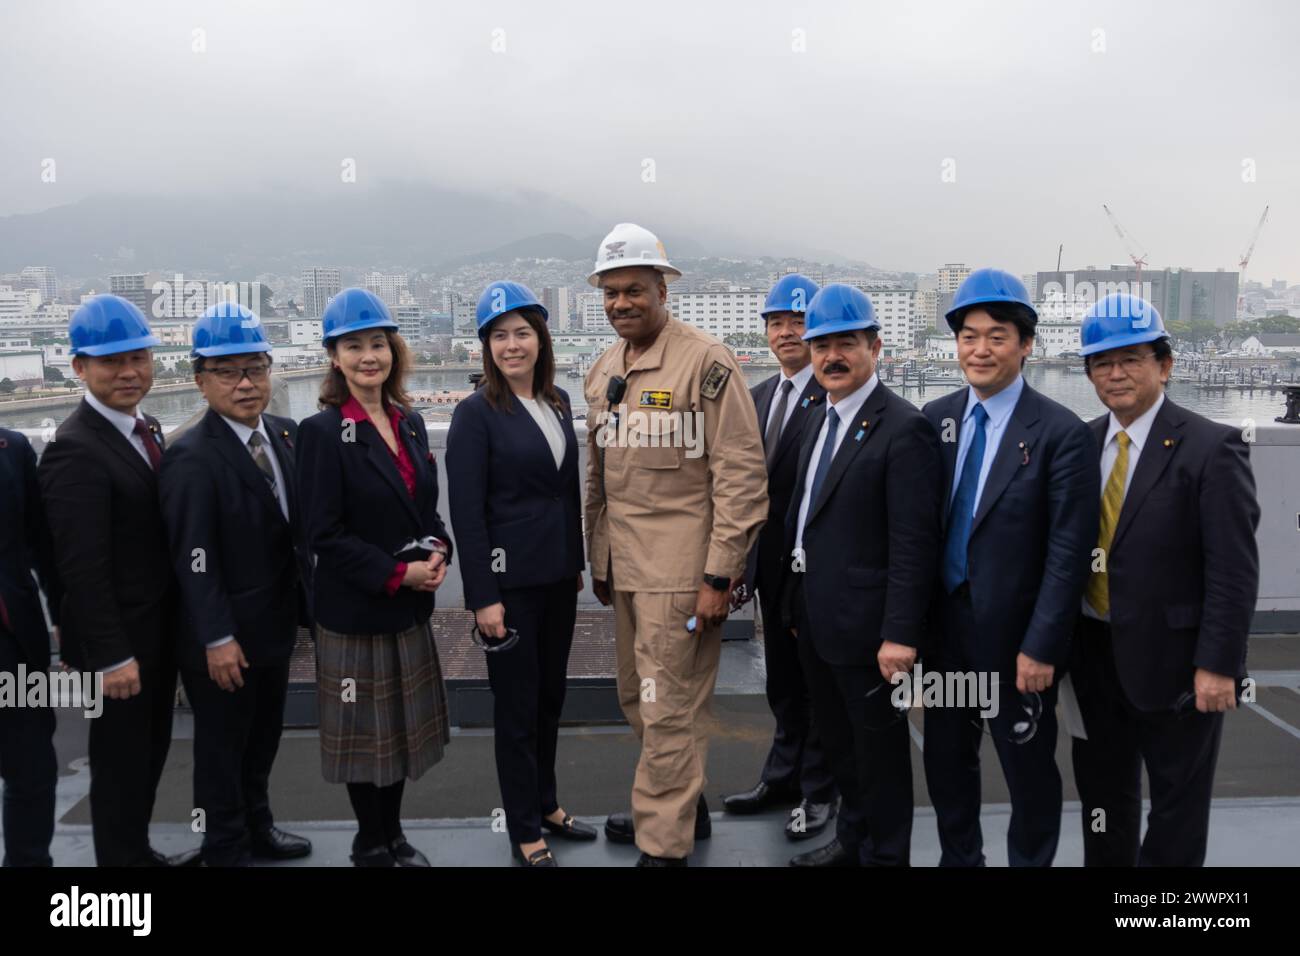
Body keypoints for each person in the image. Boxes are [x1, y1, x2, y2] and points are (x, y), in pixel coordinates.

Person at [583, 223, 768, 866]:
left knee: (666, 708)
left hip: (682, 571)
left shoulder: (705, 361)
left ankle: (664, 845)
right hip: (627, 567)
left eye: (634, 289)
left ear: (663, 288)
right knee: (640, 699)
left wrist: (718, 577)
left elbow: (740, 474)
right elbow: (600, 476)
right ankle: (681, 806)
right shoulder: (606, 367)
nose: (621, 304)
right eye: (610, 293)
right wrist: (598, 559)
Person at [1069, 293, 1259, 866]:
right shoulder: (1080, 445)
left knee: (1177, 805)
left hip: (1178, 664)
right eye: (1103, 363)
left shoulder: (1211, 447)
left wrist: (1219, 664)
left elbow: (1233, 571)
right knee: (1103, 798)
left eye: (1132, 359)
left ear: (1165, 365)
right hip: (1092, 655)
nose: (1117, 373)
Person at [920, 269, 1099, 867]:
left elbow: (1069, 552)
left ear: (1026, 345)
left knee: (1027, 768)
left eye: (997, 336)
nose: (980, 349)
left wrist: (1043, 646)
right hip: (945, 634)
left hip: (1018, 642)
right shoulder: (936, 421)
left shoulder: (1060, 434)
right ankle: (959, 859)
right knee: (945, 760)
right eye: (969, 336)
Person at [780, 285, 942, 867]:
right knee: (841, 749)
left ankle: (887, 856)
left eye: (846, 343)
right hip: (817, 622)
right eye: (820, 345)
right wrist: (795, 606)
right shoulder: (817, 420)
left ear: (875, 346)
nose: (831, 357)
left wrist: (900, 634)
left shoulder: (904, 428)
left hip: (873, 634)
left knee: (880, 756)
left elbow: (914, 543)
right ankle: (853, 842)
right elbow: (805, 519)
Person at [37, 294, 199, 867]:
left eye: (139, 358)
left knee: (149, 752)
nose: (129, 372)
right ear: (79, 367)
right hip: (120, 647)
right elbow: (79, 566)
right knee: (121, 762)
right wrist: (110, 656)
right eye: (111, 362)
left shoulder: (144, 427)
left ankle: (135, 854)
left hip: (154, 634)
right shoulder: (75, 450)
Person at [296, 288, 454, 868]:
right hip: (356, 613)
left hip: (406, 608)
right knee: (365, 737)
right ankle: (371, 840)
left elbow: (427, 511)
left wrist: (440, 552)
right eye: (355, 345)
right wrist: (398, 574)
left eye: (379, 344)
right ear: (334, 357)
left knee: (401, 733)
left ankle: (395, 834)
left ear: (395, 351)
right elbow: (323, 534)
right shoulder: (322, 431)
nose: (370, 356)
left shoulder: (409, 423)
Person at [158, 303, 313, 867]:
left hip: (274, 628)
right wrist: (217, 637)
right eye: (228, 372)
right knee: (222, 748)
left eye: (255, 368)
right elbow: (192, 558)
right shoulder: (191, 457)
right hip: (222, 640)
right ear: (200, 381)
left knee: (262, 738)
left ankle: (258, 828)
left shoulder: (286, 436)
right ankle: (224, 849)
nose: (246, 383)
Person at [446, 280, 590, 867]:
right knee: (516, 708)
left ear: (541, 338)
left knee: (550, 697)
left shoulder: (556, 401)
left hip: (556, 580)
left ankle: (548, 803)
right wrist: (483, 596)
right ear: (487, 346)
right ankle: (524, 827)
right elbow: (467, 513)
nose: (512, 345)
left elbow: (565, 494)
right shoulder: (475, 414)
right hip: (509, 589)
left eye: (522, 333)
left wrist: (575, 565)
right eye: (500, 335)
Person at [723, 274, 839, 841]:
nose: (787, 331)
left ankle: (821, 791)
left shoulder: (836, 396)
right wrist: (744, 567)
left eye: (798, 322)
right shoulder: (760, 395)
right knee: (783, 682)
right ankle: (783, 776)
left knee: (819, 683)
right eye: (777, 322)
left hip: (820, 572)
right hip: (771, 570)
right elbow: (747, 492)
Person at [0, 425, 61, 866]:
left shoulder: (13, 447)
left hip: (16, 640)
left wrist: (65, 619)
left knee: (34, 767)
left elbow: (41, 542)